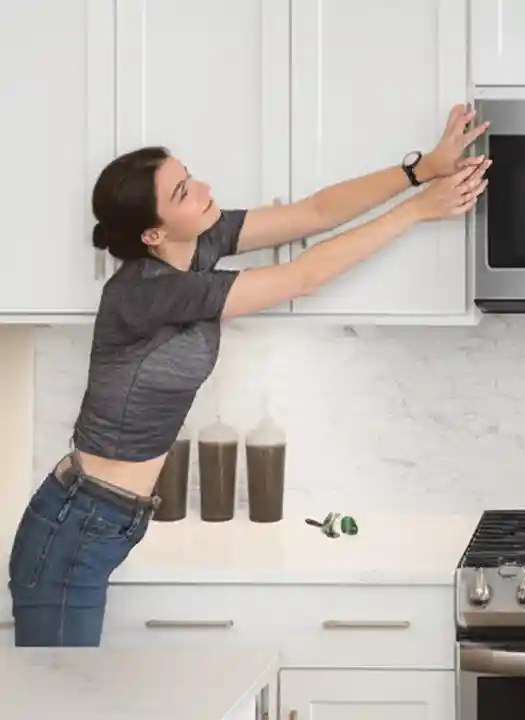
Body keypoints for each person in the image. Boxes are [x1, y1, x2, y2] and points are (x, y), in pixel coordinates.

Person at [6, 104, 491, 647]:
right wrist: (416, 211)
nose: (204, 189)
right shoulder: (147, 294)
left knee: (72, 687)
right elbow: (302, 277)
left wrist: (419, 171)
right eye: (183, 192)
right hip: (75, 529)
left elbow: (313, 213)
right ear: (153, 234)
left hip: (103, 521)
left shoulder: (200, 243)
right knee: (61, 689)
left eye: (189, 177)